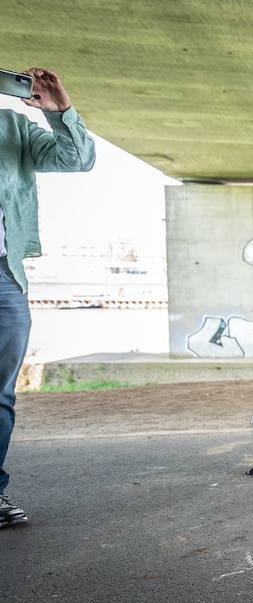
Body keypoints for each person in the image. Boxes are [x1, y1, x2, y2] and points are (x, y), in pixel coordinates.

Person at [1, 68, 97, 528]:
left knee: (1, 394)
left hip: (4, 277)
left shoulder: (13, 128)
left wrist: (59, 108)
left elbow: (78, 159)